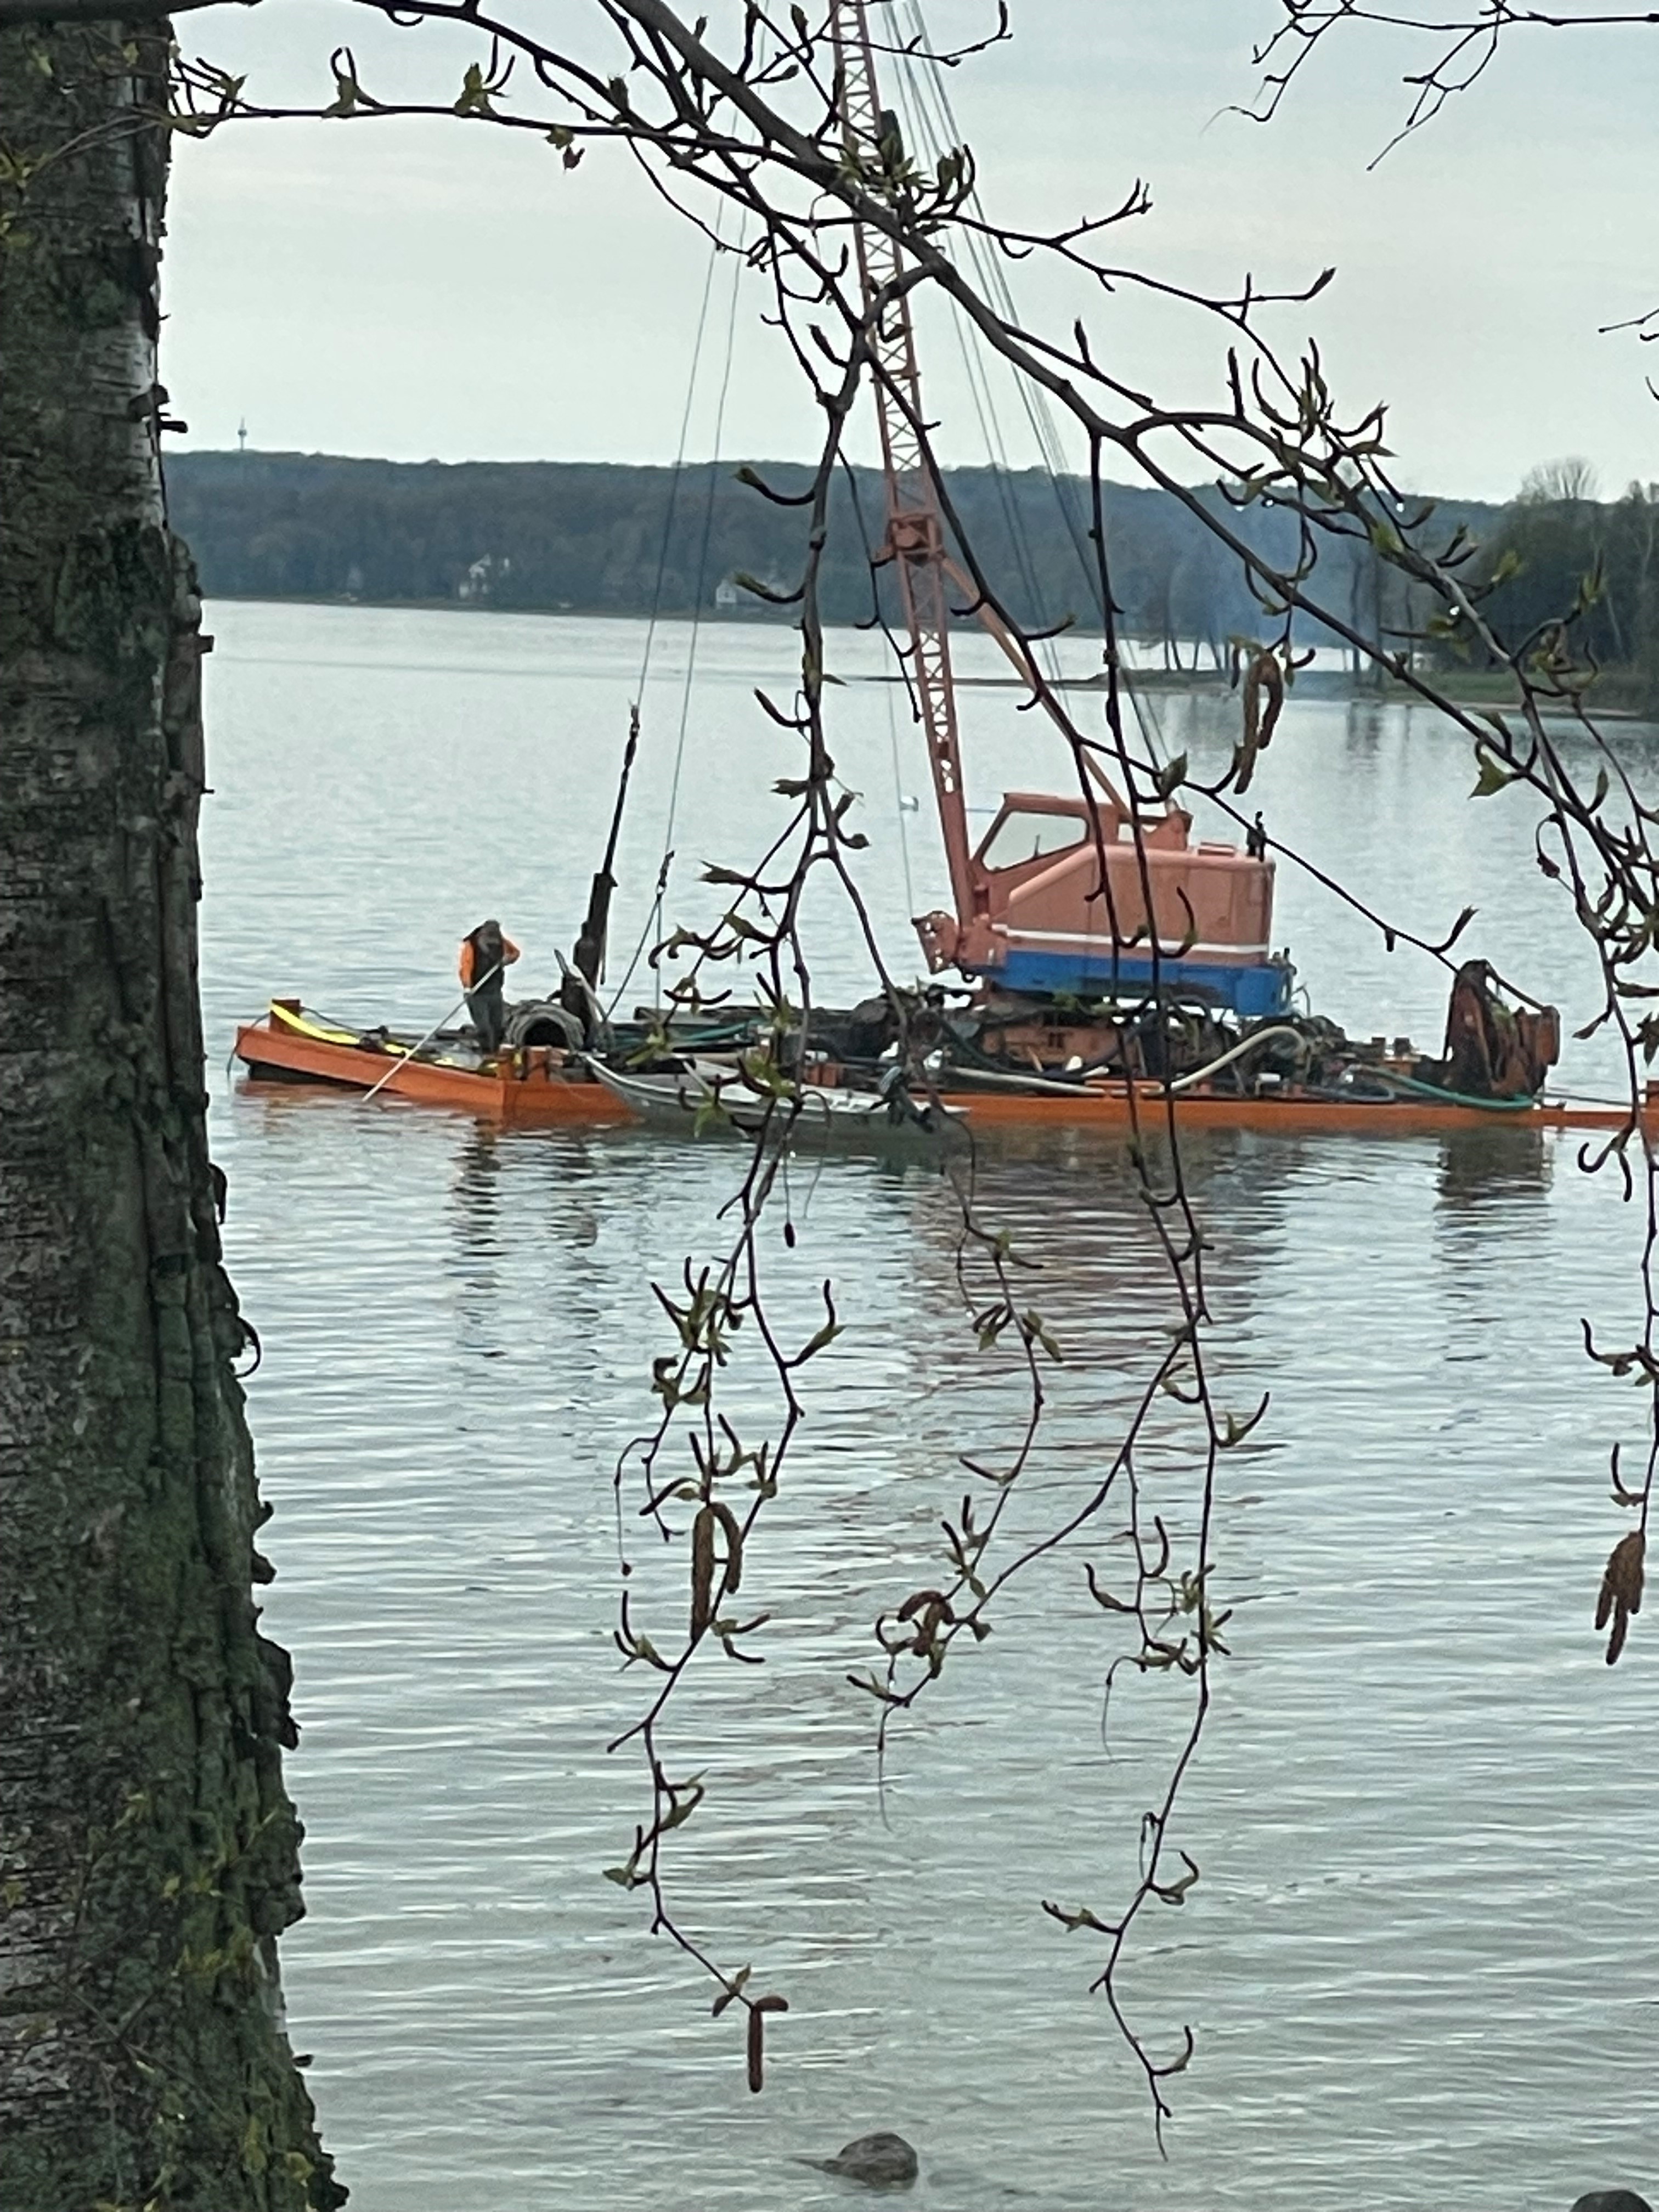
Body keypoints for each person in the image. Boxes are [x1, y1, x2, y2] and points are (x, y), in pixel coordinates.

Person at [457, 919, 520, 1054]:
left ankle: (496, 1051)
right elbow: (466, 968)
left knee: (497, 1024)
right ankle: (486, 1053)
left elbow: (515, 953)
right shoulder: (472, 945)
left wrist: (508, 959)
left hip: (495, 991)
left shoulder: (500, 942)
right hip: (477, 993)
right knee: (485, 1026)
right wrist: (467, 987)